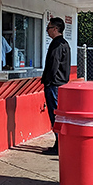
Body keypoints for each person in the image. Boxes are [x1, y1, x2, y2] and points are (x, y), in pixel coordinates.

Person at [41, 16, 71, 155]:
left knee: (55, 116)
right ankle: (61, 143)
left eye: (48, 28)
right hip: (61, 84)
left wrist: (47, 81)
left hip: (54, 85)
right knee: (60, 115)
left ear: (55, 29)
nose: (47, 31)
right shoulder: (65, 44)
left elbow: (53, 65)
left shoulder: (56, 45)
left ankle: (58, 145)